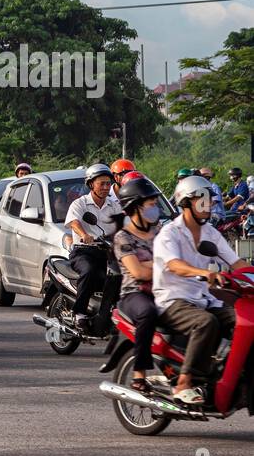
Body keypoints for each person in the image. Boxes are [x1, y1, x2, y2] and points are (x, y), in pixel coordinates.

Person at [153, 174, 241, 404]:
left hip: (203, 299)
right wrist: (204, 273)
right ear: (186, 203)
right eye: (202, 199)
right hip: (173, 299)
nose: (209, 204)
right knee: (205, 323)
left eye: (210, 199)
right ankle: (184, 382)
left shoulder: (211, 233)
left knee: (241, 320)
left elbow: (237, 263)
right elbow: (174, 265)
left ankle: (227, 375)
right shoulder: (169, 233)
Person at [113, 176, 164, 394]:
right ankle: (139, 376)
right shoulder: (123, 237)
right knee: (148, 313)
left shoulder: (161, 232)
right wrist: (164, 264)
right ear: (135, 207)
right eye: (151, 205)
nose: (155, 209)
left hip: (165, 289)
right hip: (134, 294)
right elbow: (138, 272)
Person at [65, 163, 123, 331]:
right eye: (101, 183)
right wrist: (84, 235)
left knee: (122, 275)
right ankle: (79, 313)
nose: (106, 187)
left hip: (107, 252)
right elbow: (74, 222)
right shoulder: (80, 204)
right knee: (89, 271)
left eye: (108, 184)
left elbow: (124, 225)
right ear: (91, 184)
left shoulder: (114, 205)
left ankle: (110, 312)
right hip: (83, 252)